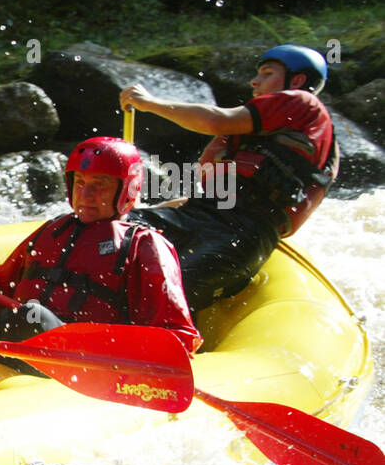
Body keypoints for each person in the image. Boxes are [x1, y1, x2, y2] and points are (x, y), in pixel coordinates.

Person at [120, 44, 338, 313]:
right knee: (105, 231)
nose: (254, 81)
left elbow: (215, 121)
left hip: (242, 233)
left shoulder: (301, 103)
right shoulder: (251, 133)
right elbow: (211, 198)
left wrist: (149, 103)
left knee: (161, 297)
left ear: (298, 80)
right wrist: (145, 210)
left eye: (267, 73)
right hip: (199, 216)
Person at [0, 137, 202, 357]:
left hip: (87, 357)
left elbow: (177, 335)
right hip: (22, 337)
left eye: (99, 184)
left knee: (32, 315)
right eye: (80, 182)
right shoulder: (52, 230)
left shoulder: (144, 245)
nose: (85, 194)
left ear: (126, 190)